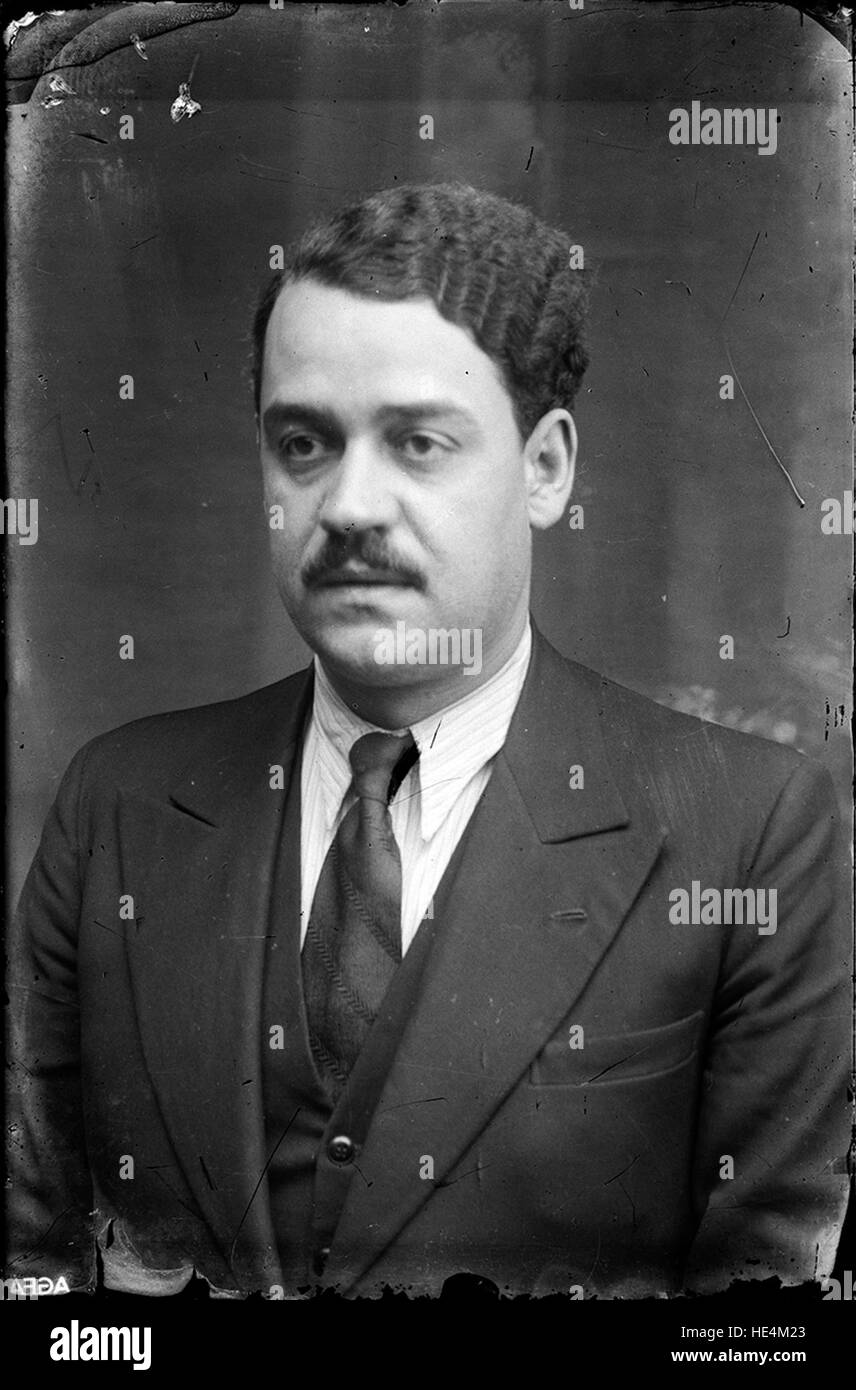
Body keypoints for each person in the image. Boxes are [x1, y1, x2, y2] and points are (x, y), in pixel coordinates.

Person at [7, 182, 850, 1300]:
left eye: (417, 441)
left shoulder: (747, 832)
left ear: (545, 468)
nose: (350, 503)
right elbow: (28, 1272)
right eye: (303, 443)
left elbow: (765, 1320)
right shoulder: (116, 804)